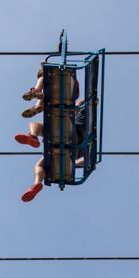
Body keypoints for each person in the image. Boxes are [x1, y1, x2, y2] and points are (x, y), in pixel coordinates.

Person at [13, 65, 84, 202]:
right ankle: (36, 184)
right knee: (39, 163)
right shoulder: (75, 104)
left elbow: (80, 103)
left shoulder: (74, 104)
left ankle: (34, 131)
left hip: (70, 137)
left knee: (37, 124)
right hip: (69, 148)